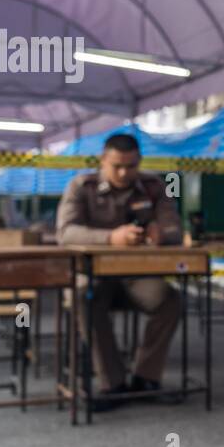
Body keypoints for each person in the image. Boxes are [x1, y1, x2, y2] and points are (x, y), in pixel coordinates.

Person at [56, 133, 184, 409]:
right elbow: (66, 233)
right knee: (84, 299)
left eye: (131, 166)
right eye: (117, 166)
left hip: (137, 276)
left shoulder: (154, 186)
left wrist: (160, 233)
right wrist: (110, 238)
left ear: (140, 162)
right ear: (103, 161)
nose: (125, 173)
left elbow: (176, 228)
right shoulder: (81, 186)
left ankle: (146, 378)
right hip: (94, 275)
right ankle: (112, 383)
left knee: (170, 301)